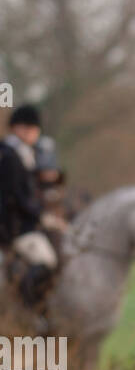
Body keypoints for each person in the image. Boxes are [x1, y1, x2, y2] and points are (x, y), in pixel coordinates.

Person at [0, 103, 60, 319]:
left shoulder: (22, 153)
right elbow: (16, 196)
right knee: (47, 261)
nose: (36, 134)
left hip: (19, 222)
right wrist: (41, 216)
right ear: (20, 128)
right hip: (12, 226)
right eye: (33, 129)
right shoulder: (9, 155)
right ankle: (31, 311)